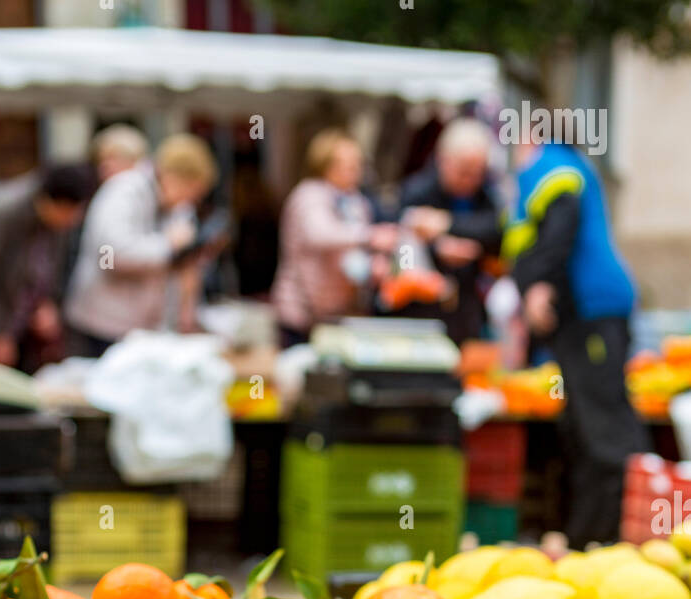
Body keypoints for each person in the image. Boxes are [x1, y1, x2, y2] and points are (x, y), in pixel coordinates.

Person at [503, 129, 650, 548]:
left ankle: (613, 538)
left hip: (593, 313)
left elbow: (560, 227)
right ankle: (587, 536)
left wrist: (539, 285)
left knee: (603, 428)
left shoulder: (551, 167)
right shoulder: (549, 172)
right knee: (585, 423)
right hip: (585, 316)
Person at [65, 134, 219, 353]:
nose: (191, 201)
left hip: (141, 328)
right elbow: (111, 256)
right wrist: (167, 245)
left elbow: (182, 262)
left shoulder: (176, 207)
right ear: (174, 177)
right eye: (192, 191)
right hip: (103, 324)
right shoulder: (124, 191)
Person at [0, 163, 95, 368]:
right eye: (70, 213)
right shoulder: (3, 211)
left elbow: (48, 270)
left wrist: (46, 303)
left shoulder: (58, 222)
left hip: (18, 328)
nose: (73, 221)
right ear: (54, 203)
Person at [271, 129, 400, 347]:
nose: (354, 169)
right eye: (346, 163)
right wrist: (370, 235)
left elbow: (353, 254)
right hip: (302, 313)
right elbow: (320, 234)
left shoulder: (356, 201)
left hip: (338, 313)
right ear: (325, 163)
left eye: (357, 162)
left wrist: (373, 268)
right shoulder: (309, 194)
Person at [398, 118, 503, 343]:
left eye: (478, 172)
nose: (471, 180)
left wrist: (446, 225)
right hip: (420, 313)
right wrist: (436, 248)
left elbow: (497, 228)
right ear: (443, 161)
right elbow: (401, 249)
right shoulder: (417, 191)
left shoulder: (484, 195)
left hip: (466, 312)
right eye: (464, 171)